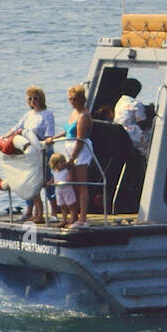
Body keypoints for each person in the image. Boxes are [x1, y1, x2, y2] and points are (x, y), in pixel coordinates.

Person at [0, 86, 56, 223]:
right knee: (29, 181)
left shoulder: (47, 114)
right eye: (30, 99)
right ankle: (29, 211)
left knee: (47, 181)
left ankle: (54, 212)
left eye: (35, 98)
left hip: (43, 152)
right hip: (29, 154)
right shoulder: (28, 115)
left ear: (41, 99)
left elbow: (49, 134)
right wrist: (4, 137)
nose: (33, 101)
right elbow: (17, 128)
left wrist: (45, 141)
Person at [49, 85, 93, 228]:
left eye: (75, 99)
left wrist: (72, 159)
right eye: (70, 99)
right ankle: (72, 217)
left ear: (81, 99)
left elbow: (80, 139)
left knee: (81, 185)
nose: (72, 102)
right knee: (71, 184)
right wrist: (53, 138)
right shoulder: (73, 113)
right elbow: (67, 131)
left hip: (80, 152)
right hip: (70, 149)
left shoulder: (84, 116)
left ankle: (83, 218)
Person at [114, 79, 147, 154]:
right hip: (131, 137)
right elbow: (142, 124)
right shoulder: (136, 104)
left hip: (119, 134)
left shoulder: (119, 102)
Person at [48, 153, 76, 228]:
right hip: (59, 190)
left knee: (70, 205)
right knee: (62, 206)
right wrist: (50, 182)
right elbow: (53, 178)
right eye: (61, 162)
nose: (63, 164)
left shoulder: (66, 170)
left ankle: (73, 218)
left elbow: (69, 178)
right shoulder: (54, 171)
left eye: (64, 161)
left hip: (67, 189)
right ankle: (64, 220)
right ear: (55, 164)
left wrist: (67, 179)